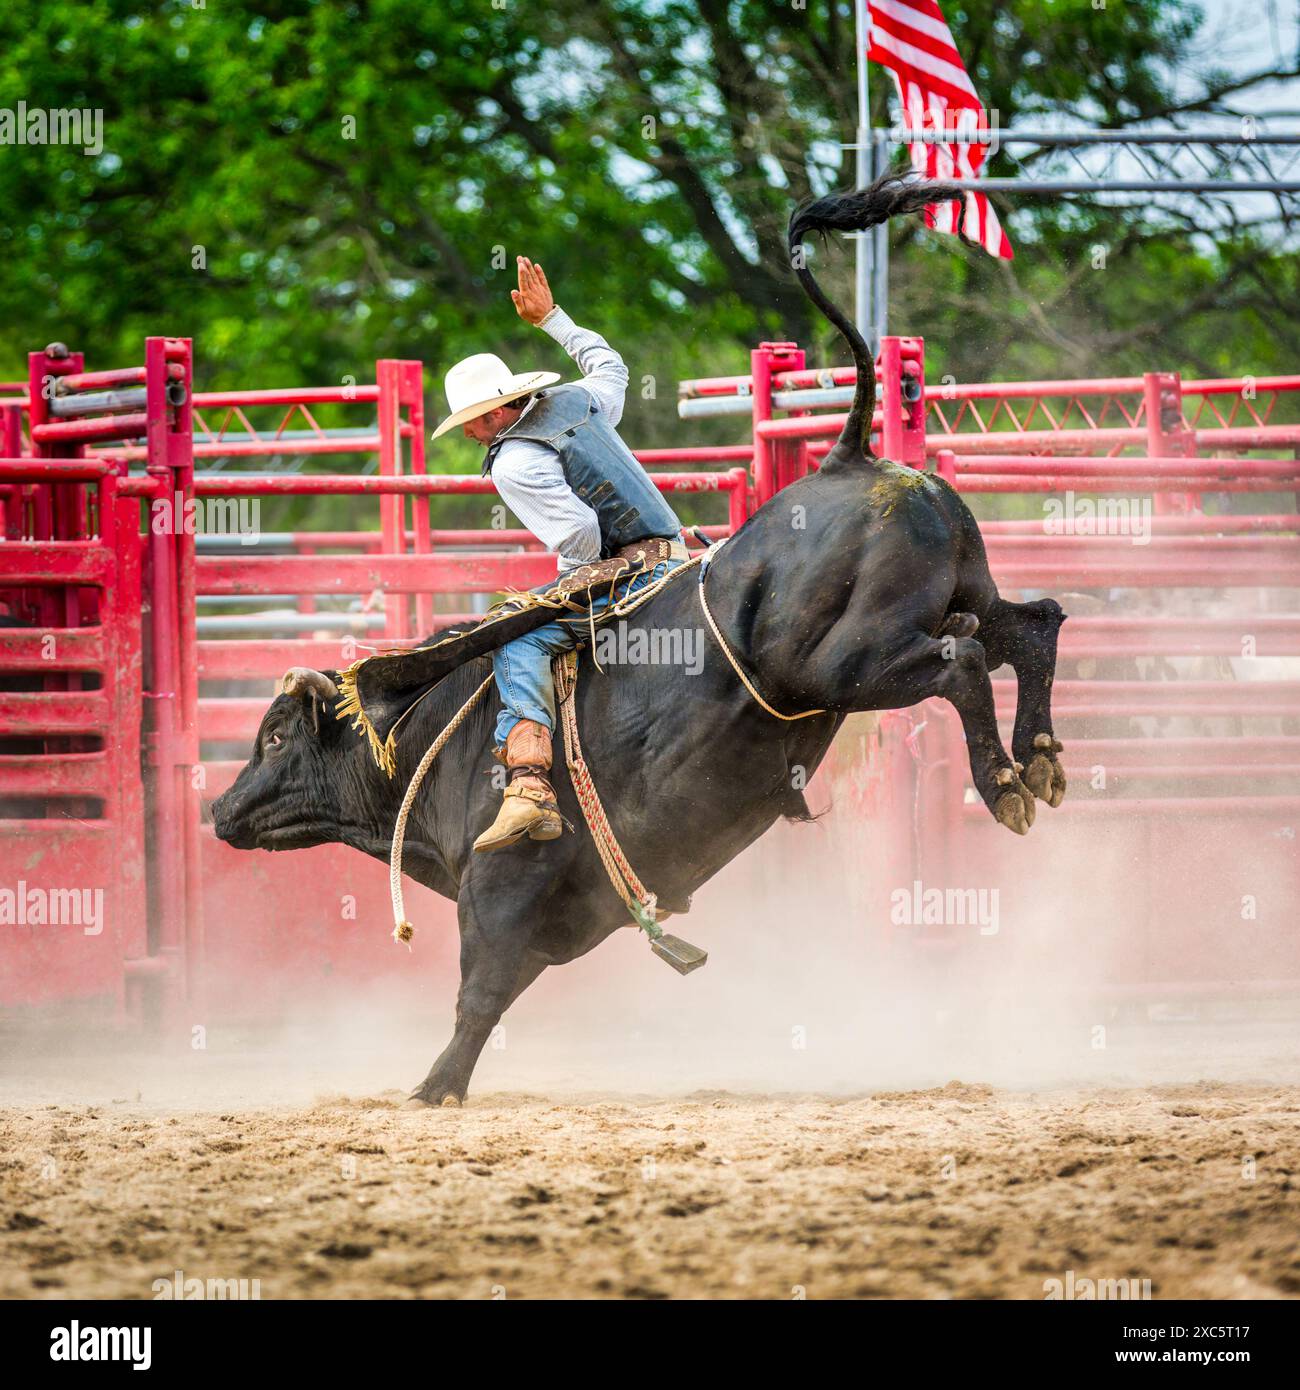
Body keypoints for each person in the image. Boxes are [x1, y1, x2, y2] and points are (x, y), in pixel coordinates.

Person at [431, 257, 687, 852]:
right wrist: (553, 320)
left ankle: (527, 786)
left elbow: (577, 535)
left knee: (519, 637)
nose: (470, 434)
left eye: (471, 422)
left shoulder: (514, 461)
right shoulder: (579, 400)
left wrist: (560, 593)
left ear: (494, 414)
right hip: (672, 553)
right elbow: (610, 366)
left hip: (624, 571)